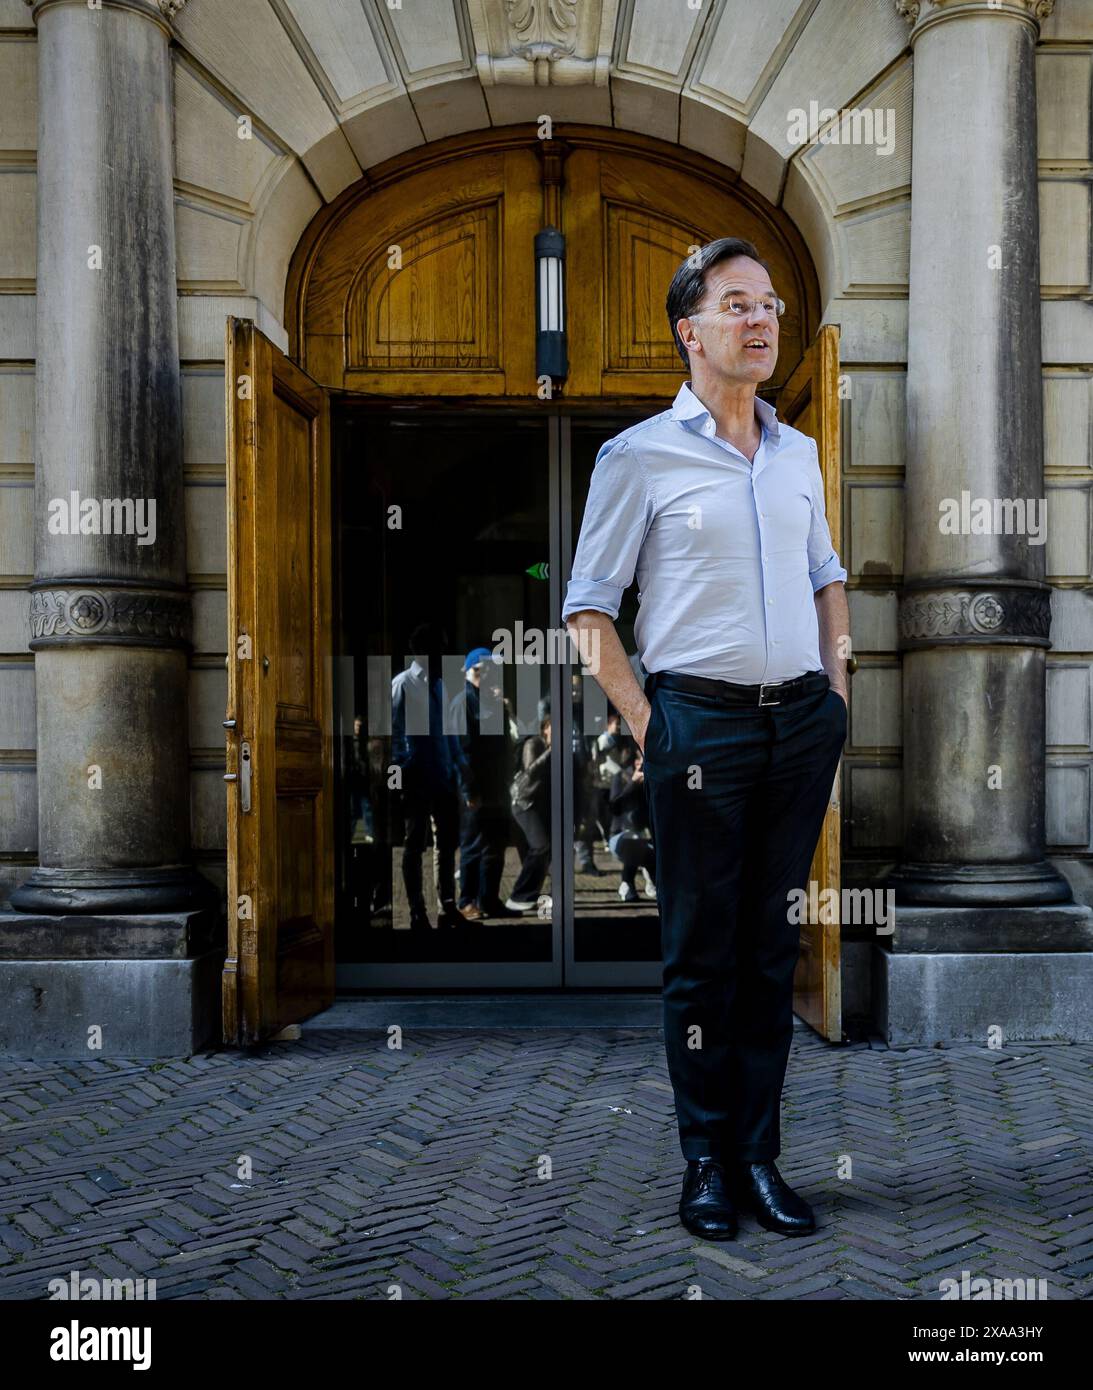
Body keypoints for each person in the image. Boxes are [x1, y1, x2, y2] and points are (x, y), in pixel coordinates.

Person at [562, 237, 850, 1241]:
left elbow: (825, 572)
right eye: (737, 303)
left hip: (797, 726)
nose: (761, 319)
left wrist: (837, 690)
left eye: (769, 304)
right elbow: (587, 611)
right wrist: (649, 722)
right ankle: (704, 1166)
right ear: (691, 330)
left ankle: (761, 1160)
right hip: (697, 726)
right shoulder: (637, 455)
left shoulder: (799, 451)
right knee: (700, 957)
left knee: (770, 951)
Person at [391, 621, 463, 931]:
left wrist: (457, 766)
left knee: (445, 844)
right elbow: (393, 732)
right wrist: (401, 770)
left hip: (441, 775)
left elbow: (447, 731)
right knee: (414, 843)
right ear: (423, 652)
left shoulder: (439, 685)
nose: (442, 654)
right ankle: (417, 910)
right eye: (438, 649)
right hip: (417, 776)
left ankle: (447, 906)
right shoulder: (403, 684)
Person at [452, 647, 519, 921]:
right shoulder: (464, 702)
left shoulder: (490, 701)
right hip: (477, 788)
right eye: (488, 669)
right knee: (473, 845)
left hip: (495, 786)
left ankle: (488, 898)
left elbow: (504, 745)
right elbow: (462, 750)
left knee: (495, 844)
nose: (493, 674)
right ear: (475, 670)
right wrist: (469, 789)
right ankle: (467, 901)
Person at [506, 715, 552, 912]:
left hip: (539, 804)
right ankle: (519, 895)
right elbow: (530, 771)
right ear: (545, 728)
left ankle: (530, 895)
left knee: (543, 850)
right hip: (524, 802)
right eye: (554, 726)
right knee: (541, 846)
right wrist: (550, 751)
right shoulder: (534, 743)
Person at [607, 745, 656, 903]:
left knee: (649, 847)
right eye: (640, 762)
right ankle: (627, 883)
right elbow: (615, 807)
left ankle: (654, 884)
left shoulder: (651, 781)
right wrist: (633, 784)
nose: (641, 766)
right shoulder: (620, 777)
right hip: (619, 836)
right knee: (635, 842)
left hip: (643, 836)